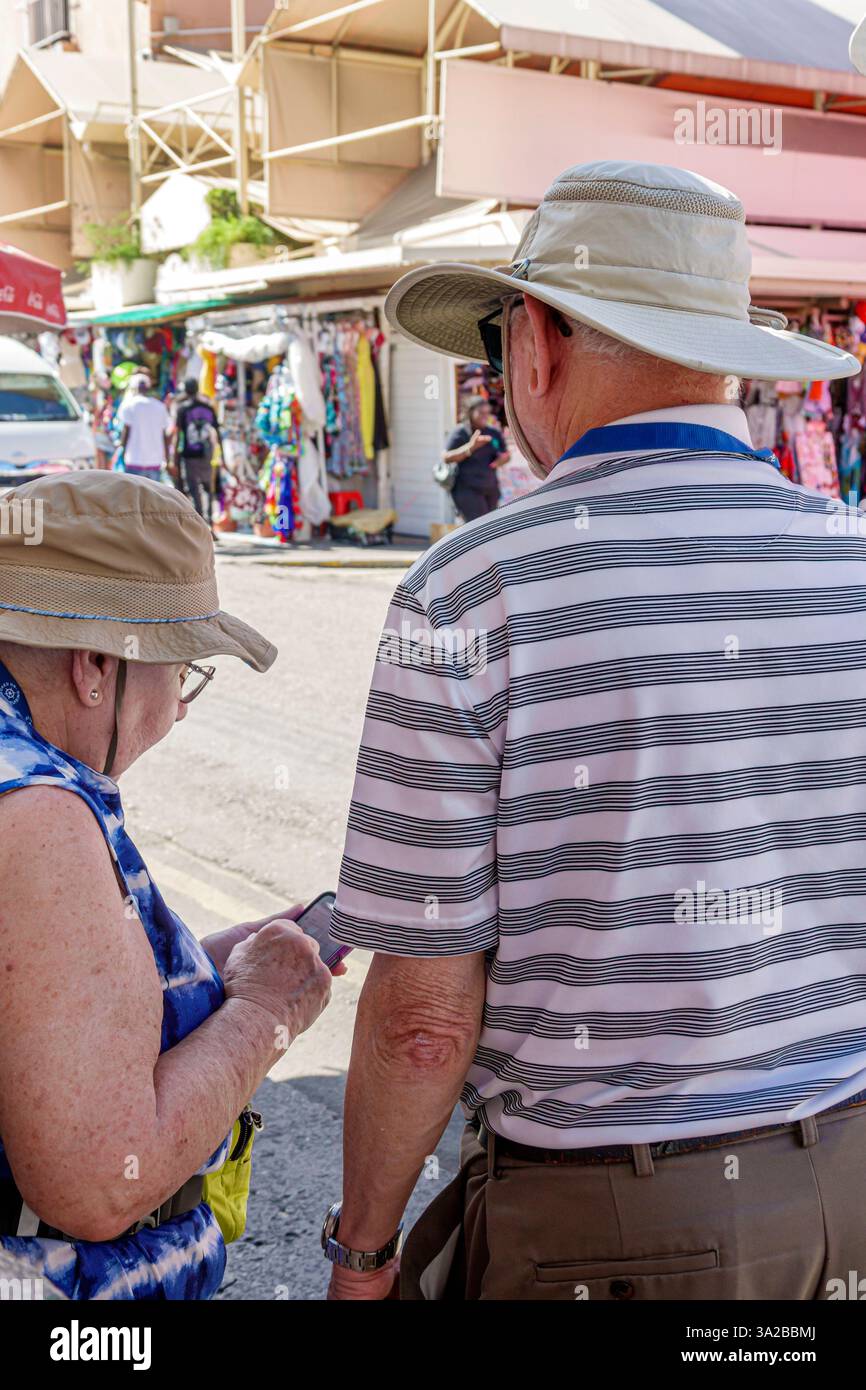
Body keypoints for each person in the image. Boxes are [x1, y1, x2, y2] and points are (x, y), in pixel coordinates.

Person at [323, 160, 866, 1302]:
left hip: (611, 1231)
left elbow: (424, 1016)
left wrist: (363, 1252)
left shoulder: (467, 593)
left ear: (533, 341)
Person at [0, 471, 338, 1300]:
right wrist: (267, 1013)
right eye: (183, 671)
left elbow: (58, 1009)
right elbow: (97, 1182)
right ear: (94, 667)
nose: (181, 707)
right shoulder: (35, 813)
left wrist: (212, 966)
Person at [443, 395, 510, 520]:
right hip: (468, 490)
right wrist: (470, 447)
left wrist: (501, 460)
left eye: (487, 412)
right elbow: (446, 457)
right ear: (470, 412)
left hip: (490, 489)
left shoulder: (493, 432)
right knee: (479, 530)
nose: (485, 416)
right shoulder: (461, 432)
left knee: (490, 528)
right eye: (481, 412)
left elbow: (505, 454)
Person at [173, 376, 222, 530]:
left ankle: (201, 525)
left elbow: (178, 434)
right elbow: (217, 432)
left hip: (190, 454)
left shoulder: (183, 409)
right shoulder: (208, 408)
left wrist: (174, 457)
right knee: (208, 489)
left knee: (195, 490)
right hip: (207, 454)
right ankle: (211, 525)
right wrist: (220, 455)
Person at [119, 374, 171, 479]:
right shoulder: (160, 406)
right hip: (154, 461)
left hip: (134, 459)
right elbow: (164, 435)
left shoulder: (128, 405)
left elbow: (126, 431)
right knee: (152, 494)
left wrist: (122, 450)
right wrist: (167, 458)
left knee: (134, 494)